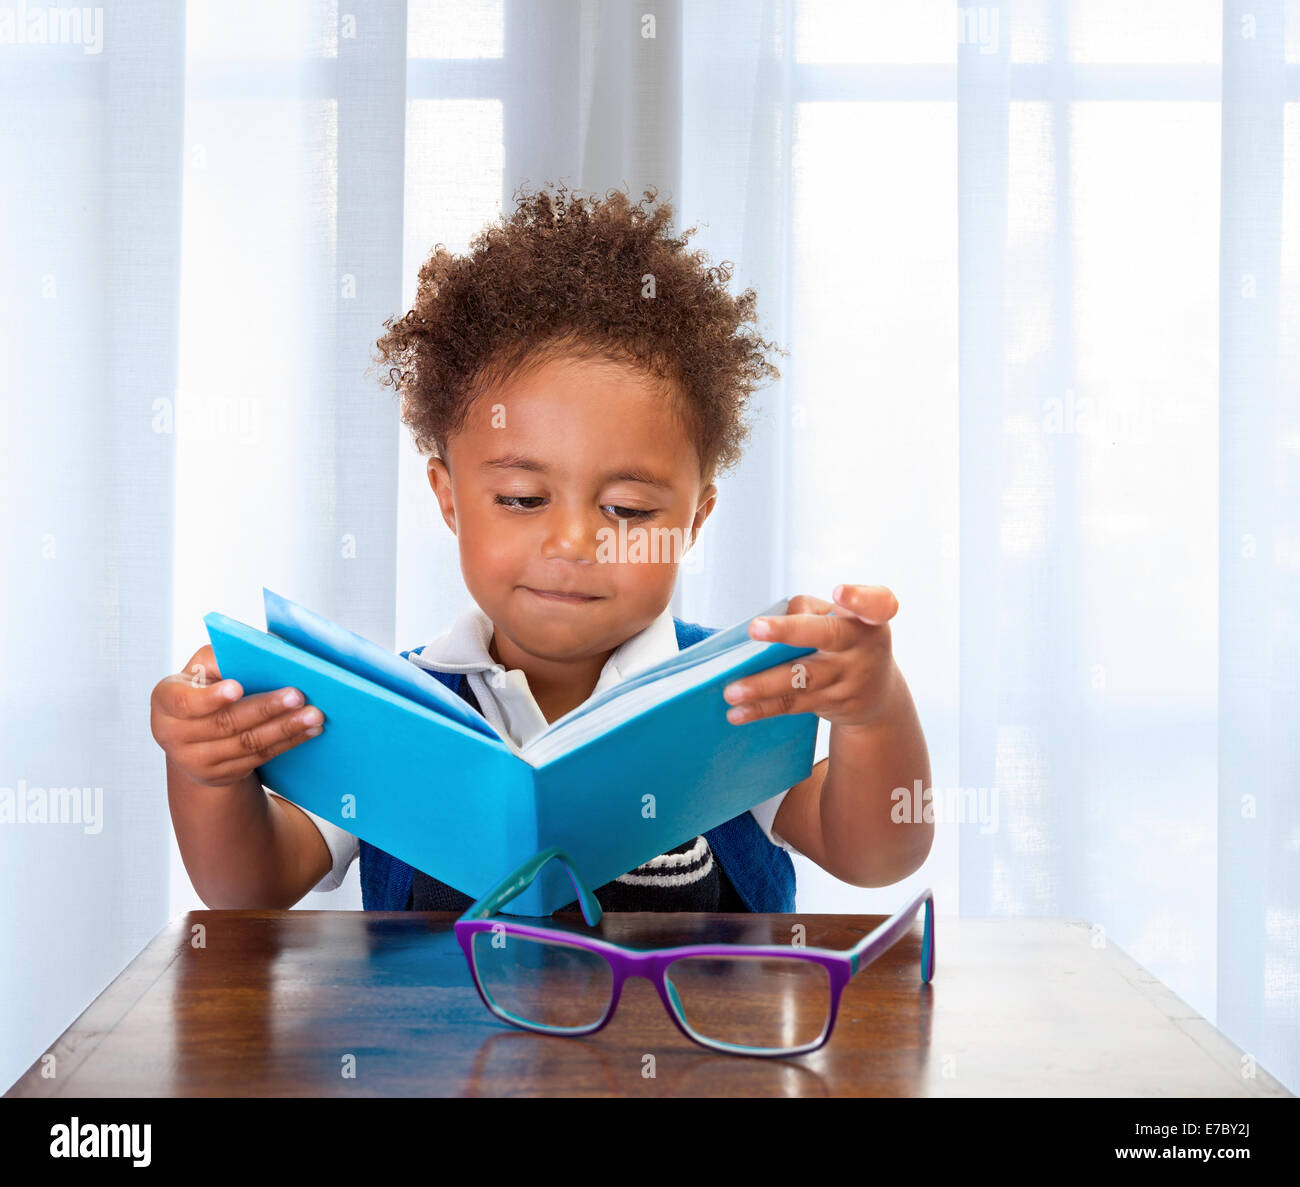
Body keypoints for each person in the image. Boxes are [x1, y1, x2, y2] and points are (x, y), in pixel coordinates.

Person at [150, 182, 932, 911]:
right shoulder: (389, 713)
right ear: (449, 497)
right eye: (523, 499)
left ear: (694, 520)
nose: (572, 541)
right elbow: (251, 890)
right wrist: (205, 772)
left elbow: (876, 852)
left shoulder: (734, 697)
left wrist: (875, 709)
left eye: (627, 509)